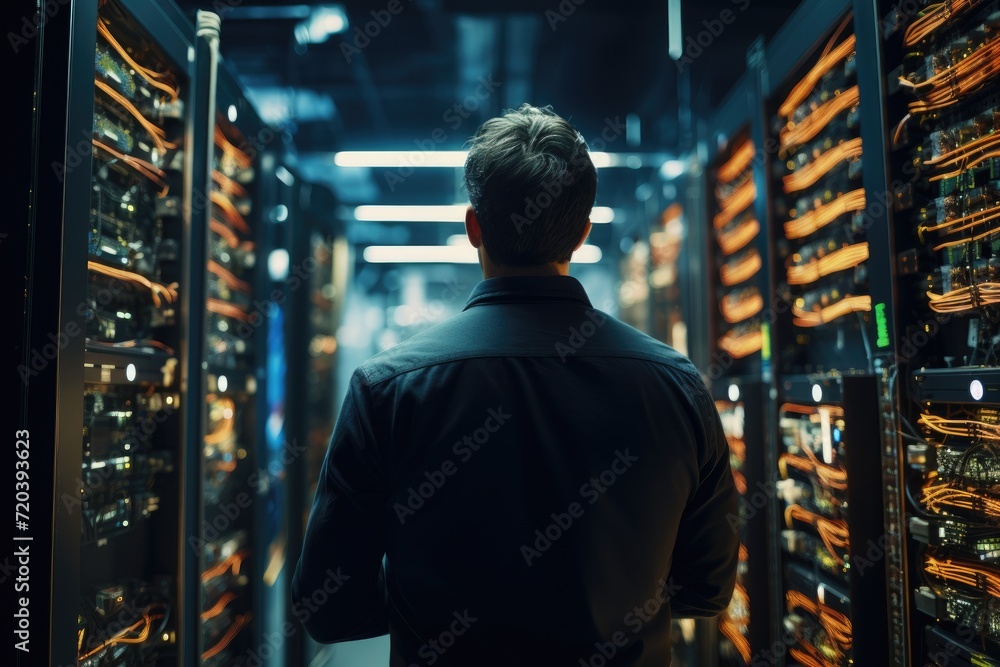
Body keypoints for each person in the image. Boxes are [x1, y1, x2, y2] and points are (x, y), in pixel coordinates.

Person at [291, 103, 739, 666]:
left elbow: (329, 605)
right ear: (582, 231)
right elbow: (708, 587)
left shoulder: (387, 388)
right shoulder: (675, 385)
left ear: (473, 226)